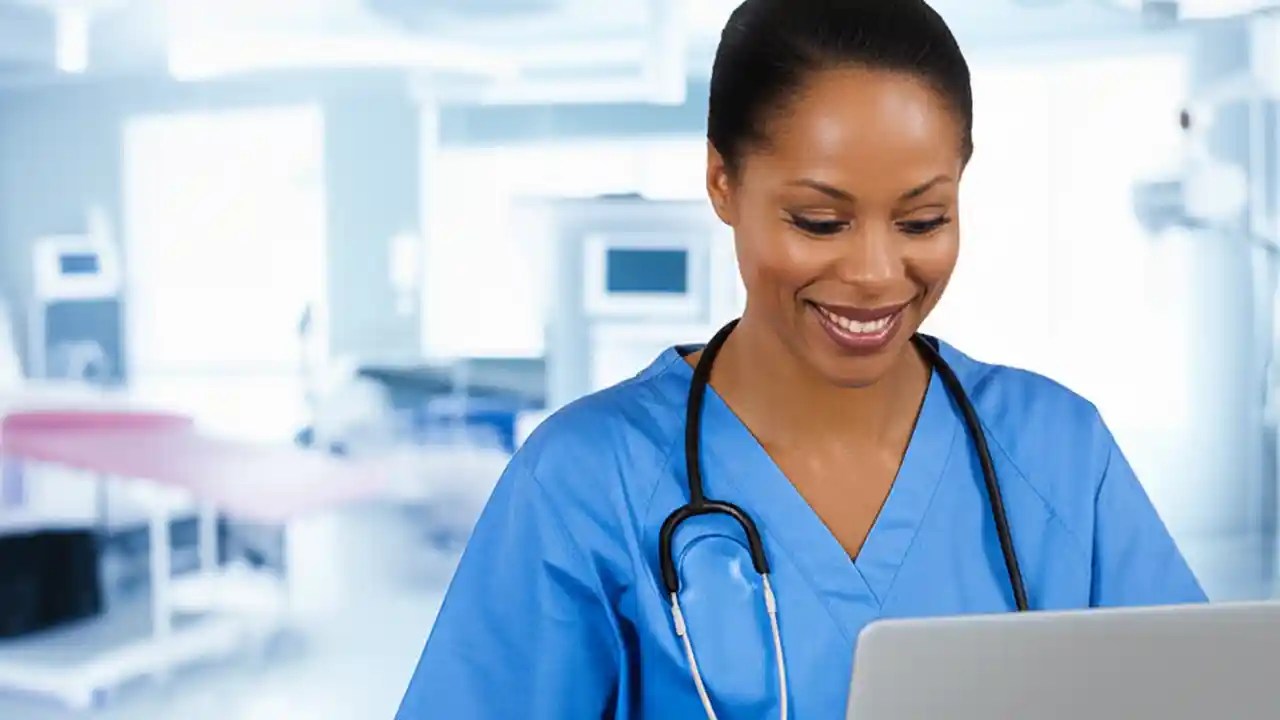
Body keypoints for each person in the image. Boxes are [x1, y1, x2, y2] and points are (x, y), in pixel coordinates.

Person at [396, 0, 1206, 717]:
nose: (876, 273)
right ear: (722, 181)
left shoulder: (1057, 454)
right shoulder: (587, 482)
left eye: (923, 220)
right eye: (820, 222)